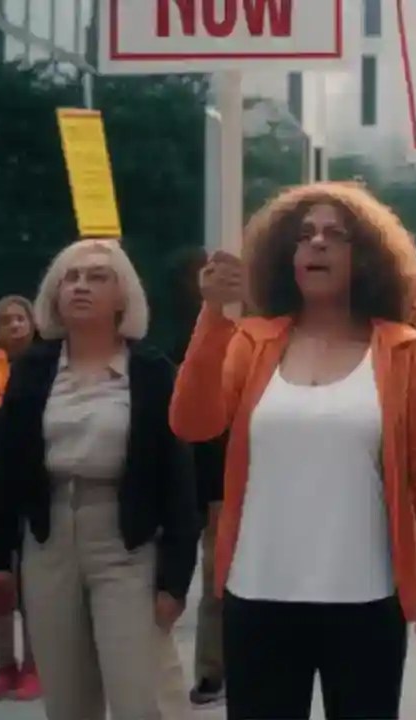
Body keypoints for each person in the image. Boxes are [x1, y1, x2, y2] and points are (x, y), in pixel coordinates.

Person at [169, 182, 416, 720]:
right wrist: (213, 317)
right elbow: (192, 422)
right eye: (304, 236)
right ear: (287, 255)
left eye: (335, 235)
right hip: (257, 593)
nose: (317, 245)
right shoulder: (250, 341)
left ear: (367, 255)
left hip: (367, 600)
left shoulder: (404, 351)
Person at [0, 239, 198, 720]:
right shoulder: (33, 371)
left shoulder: (151, 371)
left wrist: (175, 581)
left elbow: (177, 479)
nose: (80, 285)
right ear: (54, 293)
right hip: (49, 541)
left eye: (97, 276)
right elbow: (5, 470)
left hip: (125, 543)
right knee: (67, 700)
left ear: (123, 296)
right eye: (71, 277)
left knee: (140, 696)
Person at [165, 247, 228, 708]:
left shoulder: (233, 333)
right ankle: (213, 671)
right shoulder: (188, 339)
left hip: (213, 478)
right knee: (216, 582)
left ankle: (213, 671)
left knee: (217, 583)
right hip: (211, 478)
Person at [0, 295, 40, 701]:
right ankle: (5, 665)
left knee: (33, 581)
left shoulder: (46, 367)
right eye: (7, 320)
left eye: (21, 318)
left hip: (34, 484)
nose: (15, 325)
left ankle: (35, 665)